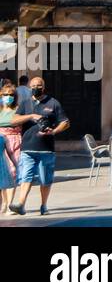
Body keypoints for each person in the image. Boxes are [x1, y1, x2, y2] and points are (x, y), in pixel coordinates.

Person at [10, 77, 68, 216]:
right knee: (26, 176)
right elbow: (13, 120)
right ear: (30, 87)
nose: (36, 88)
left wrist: (53, 131)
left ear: (44, 87)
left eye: (39, 85)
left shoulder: (53, 103)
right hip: (28, 148)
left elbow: (65, 122)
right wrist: (31, 116)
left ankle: (44, 205)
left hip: (46, 149)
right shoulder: (25, 103)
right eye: (33, 86)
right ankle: (21, 204)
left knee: (45, 179)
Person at [0, 81, 39, 214]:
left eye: (11, 94)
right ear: (1, 95)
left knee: (13, 173)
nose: (8, 96)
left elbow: (24, 122)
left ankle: (10, 204)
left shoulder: (18, 109)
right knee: (2, 174)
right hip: (1, 142)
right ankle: (4, 202)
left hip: (15, 142)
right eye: (5, 94)